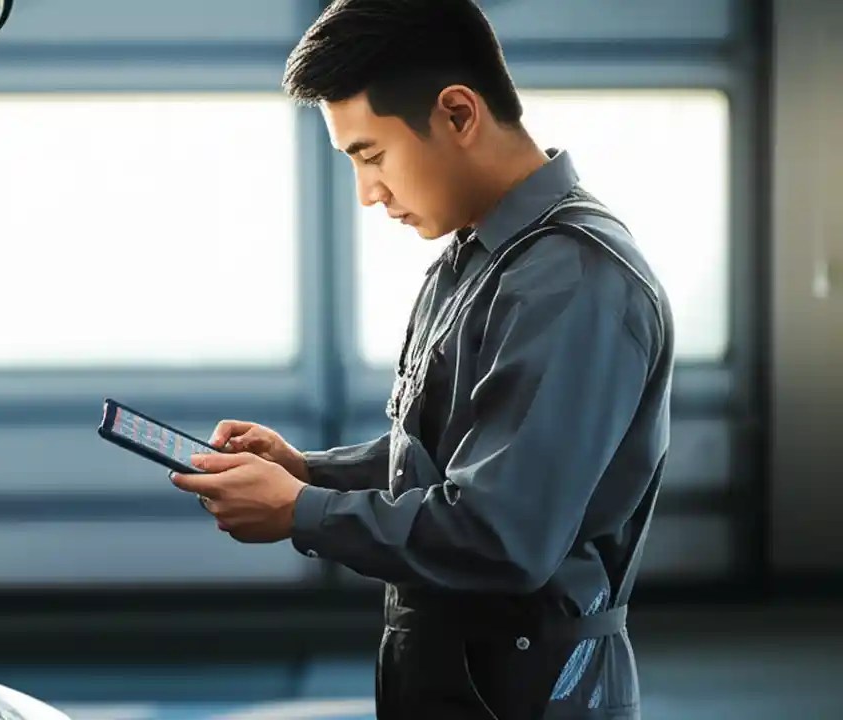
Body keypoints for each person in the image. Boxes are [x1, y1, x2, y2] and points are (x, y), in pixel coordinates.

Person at [168, 1, 675, 718]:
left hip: (529, 694)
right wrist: (308, 471)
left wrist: (304, 512)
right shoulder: (481, 259)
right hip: (466, 680)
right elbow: (451, 458)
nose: (367, 193)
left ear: (458, 114)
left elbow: (502, 535)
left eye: (371, 155)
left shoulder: (571, 279)